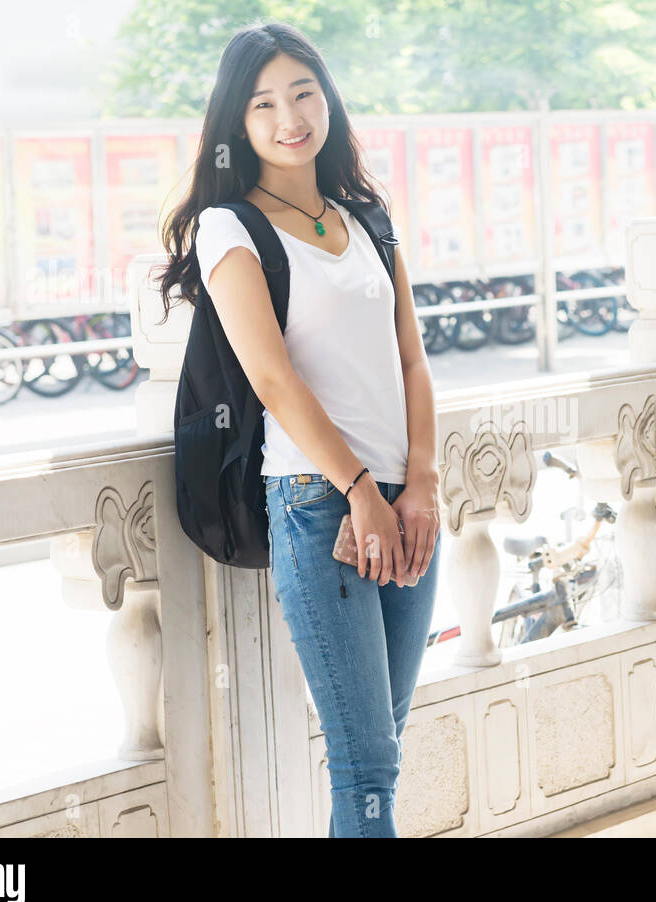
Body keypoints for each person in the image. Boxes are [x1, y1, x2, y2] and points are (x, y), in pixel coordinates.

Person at [156, 21, 442, 838]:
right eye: (264, 103)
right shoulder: (230, 227)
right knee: (365, 767)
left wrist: (417, 483)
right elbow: (272, 377)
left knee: (383, 750)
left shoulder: (368, 218)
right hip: (321, 503)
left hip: (405, 505)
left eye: (305, 93)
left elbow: (413, 362)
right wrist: (359, 491)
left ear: (329, 100)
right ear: (235, 125)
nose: (291, 116)